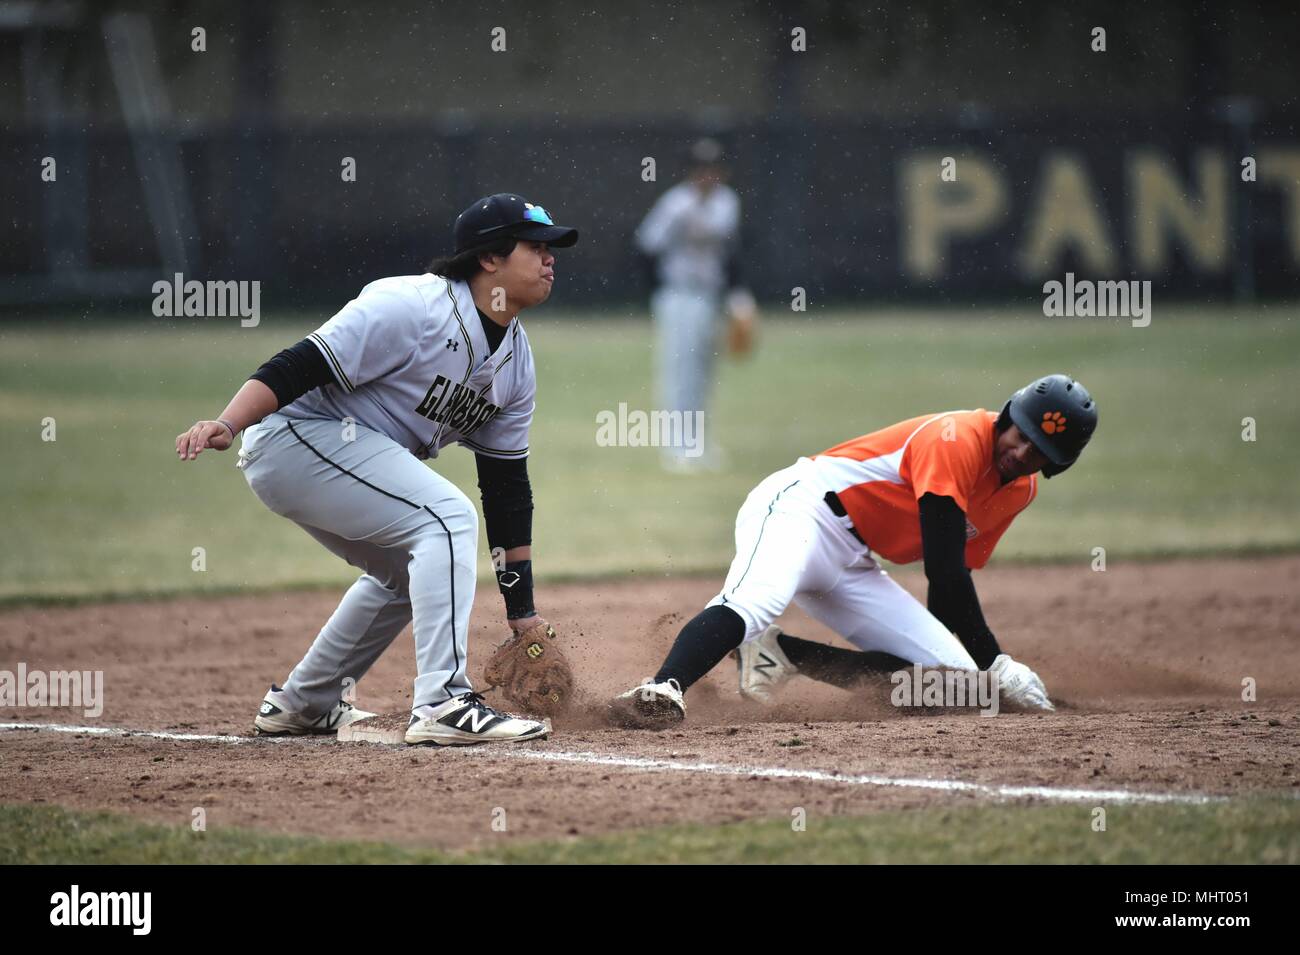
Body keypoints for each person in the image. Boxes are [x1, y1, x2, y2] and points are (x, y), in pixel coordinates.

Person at [174, 193, 578, 746]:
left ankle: (305, 704)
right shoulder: (411, 305)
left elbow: (507, 489)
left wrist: (522, 613)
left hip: (351, 457)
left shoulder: (516, 363)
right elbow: (302, 362)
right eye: (537, 247)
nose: (551, 258)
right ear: (489, 259)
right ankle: (443, 702)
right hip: (296, 437)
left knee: (407, 574)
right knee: (445, 519)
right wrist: (229, 422)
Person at [611, 375, 1098, 727]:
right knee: (755, 600)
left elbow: (952, 594)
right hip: (802, 510)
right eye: (1021, 435)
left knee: (963, 688)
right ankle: (661, 689)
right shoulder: (956, 440)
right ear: (1009, 416)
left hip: (852, 562)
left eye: (1038, 452)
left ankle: (781, 655)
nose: (1021, 453)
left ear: (1057, 465)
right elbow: (945, 577)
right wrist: (998, 660)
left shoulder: (1020, 491)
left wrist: (986, 672)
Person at [635, 137, 757, 471]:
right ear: (690, 172)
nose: (708, 175)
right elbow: (646, 247)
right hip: (679, 294)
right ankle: (677, 449)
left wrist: (738, 296)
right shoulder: (676, 205)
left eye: (713, 169)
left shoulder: (727, 203)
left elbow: (731, 253)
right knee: (679, 371)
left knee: (704, 370)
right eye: (701, 169)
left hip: (711, 296)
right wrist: (658, 295)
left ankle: (699, 444)